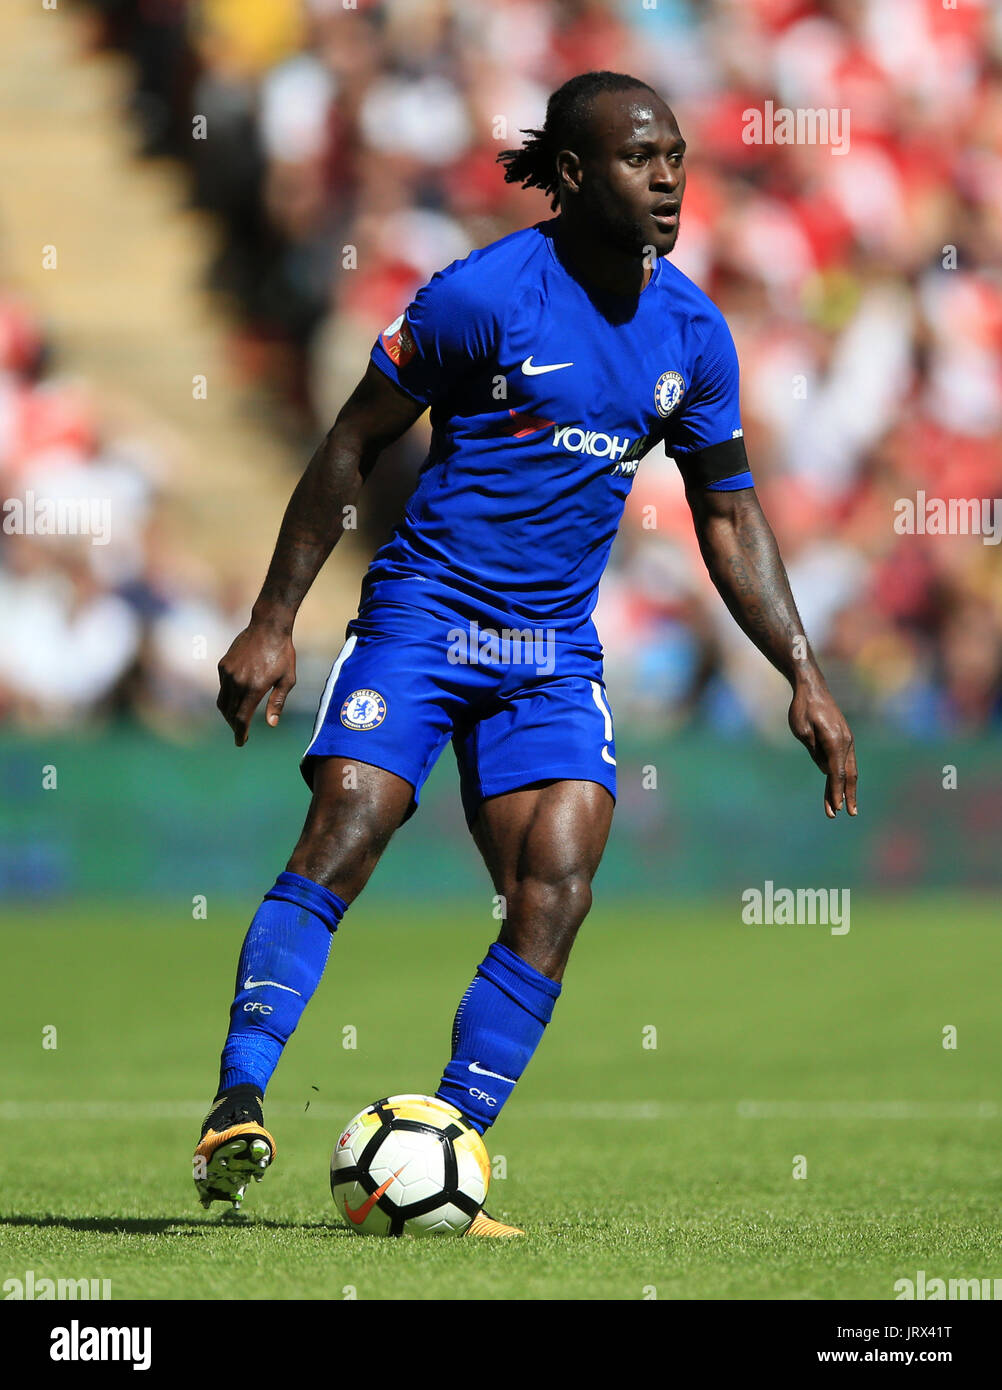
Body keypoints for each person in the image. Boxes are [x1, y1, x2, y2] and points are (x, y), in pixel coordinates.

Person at [195, 70, 858, 1236]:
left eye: (677, 157)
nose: (667, 178)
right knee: (348, 827)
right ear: (569, 175)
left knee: (556, 880)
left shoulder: (695, 332)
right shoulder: (481, 298)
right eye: (639, 157)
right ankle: (237, 1098)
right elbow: (351, 443)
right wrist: (272, 616)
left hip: (551, 647)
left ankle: (445, 1143)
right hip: (426, 614)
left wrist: (801, 667)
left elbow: (729, 513)